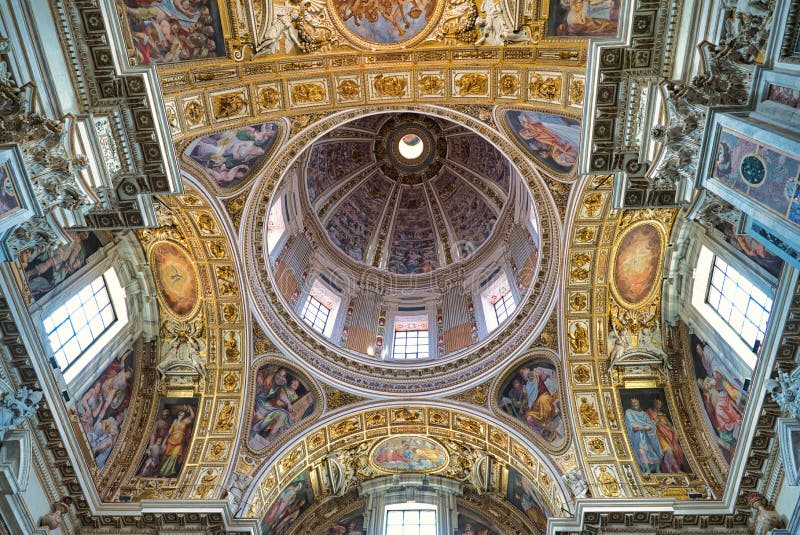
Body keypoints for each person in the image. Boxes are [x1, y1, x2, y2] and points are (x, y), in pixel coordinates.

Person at [645, 398, 686, 473]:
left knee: (669, 453)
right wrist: (656, 422)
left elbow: (668, 424)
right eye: (657, 404)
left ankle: (671, 470)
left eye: (660, 404)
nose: (659, 406)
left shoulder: (662, 414)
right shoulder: (649, 412)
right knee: (668, 452)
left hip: (667, 435)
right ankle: (676, 470)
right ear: (654, 403)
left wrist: (674, 430)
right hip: (657, 435)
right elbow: (647, 425)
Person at [624, 397, 663, 473]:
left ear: (638, 402)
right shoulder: (629, 412)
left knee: (653, 452)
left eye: (636, 402)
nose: (635, 403)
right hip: (638, 437)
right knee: (642, 452)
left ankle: (658, 470)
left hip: (648, 437)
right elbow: (632, 425)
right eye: (633, 402)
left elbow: (650, 425)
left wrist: (646, 427)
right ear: (631, 404)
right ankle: (647, 469)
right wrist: (643, 427)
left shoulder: (644, 414)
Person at [158, 404, 195, 477]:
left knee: (174, 457)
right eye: (179, 414)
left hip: (179, 442)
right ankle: (162, 471)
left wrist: (190, 408)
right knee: (166, 456)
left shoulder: (185, 421)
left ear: (184, 415)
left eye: (182, 414)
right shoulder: (174, 421)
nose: (181, 415)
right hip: (171, 441)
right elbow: (169, 433)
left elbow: (192, 416)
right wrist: (163, 443)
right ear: (178, 414)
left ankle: (169, 472)